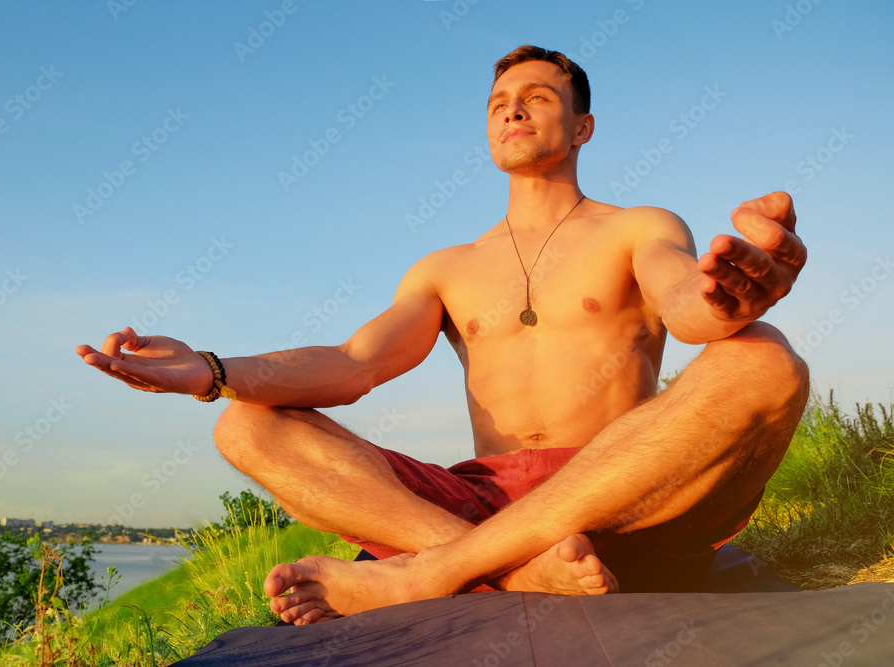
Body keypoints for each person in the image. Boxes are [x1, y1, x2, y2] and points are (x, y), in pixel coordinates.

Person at [77, 45, 809, 626]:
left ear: (583, 127)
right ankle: (509, 568)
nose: (512, 110)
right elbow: (355, 363)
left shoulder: (638, 226)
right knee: (245, 425)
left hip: (622, 495)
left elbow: (686, 303)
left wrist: (730, 299)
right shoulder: (446, 267)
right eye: (499, 103)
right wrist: (209, 368)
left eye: (537, 98)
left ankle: (431, 574)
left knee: (766, 358)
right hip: (475, 503)